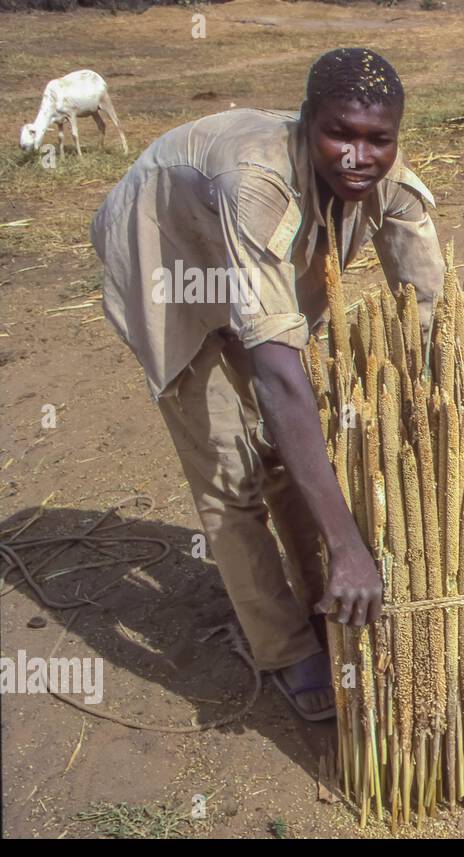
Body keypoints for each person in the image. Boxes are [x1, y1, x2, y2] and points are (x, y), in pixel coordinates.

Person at [90, 48, 445, 721]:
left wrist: (429, 400)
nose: (358, 157)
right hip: (165, 253)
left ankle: (324, 592)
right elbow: (281, 380)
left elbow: (426, 302)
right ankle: (283, 647)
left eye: (378, 139)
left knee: (283, 452)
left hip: (243, 270)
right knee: (230, 471)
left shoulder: (389, 176)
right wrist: (350, 545)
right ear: (307, 121)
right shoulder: (258, 179)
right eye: (340, 132)